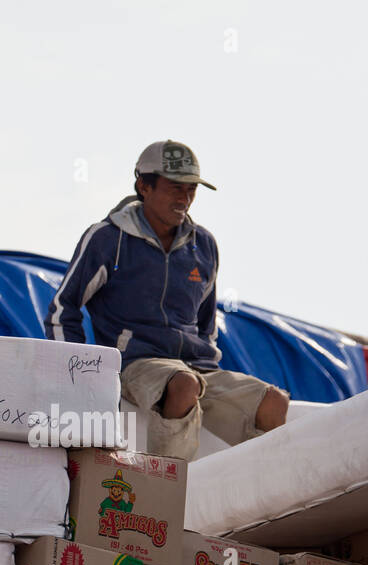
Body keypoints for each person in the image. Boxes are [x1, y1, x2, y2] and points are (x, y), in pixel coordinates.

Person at [44, 140, 289, 460]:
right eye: (175, 188)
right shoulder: (108, 239)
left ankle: (264, 502)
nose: (184, 198)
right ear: (143, 185)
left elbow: (206, 323)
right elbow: (64, 309)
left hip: (198, 369)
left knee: (274, 402)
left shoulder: (204, 245)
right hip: (135, 364)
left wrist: (204, 363)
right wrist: (80, 373)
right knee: (184, 385)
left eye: (191, 190)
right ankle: (168, 491)